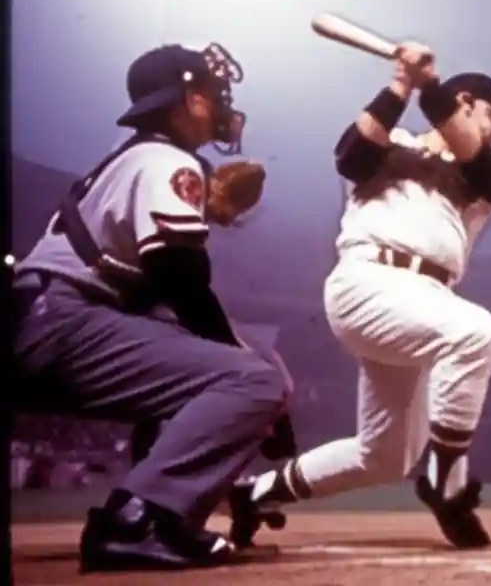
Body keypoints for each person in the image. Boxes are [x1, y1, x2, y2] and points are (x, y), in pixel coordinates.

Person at [9, 42, 294, 571]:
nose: (222, 98)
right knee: (251, 380)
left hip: (49, 316)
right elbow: (180, 278)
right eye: (212, 89)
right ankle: (136, 519)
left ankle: (165, 517)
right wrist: (253, 372)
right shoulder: (168, 161)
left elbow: (158, 296)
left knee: (229, 368)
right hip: (62, 319)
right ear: (190, 100)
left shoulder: (136, 157)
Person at [231, 41, 491, 550]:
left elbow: (481, 164)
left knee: (384, 456)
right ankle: (446, 484)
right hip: (369, 283)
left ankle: (252, 494)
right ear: (467, 101)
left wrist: (427, 84)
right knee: (476, 333)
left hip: (424, 299)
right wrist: (402, 84)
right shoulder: (393, 144)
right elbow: (350, 153)